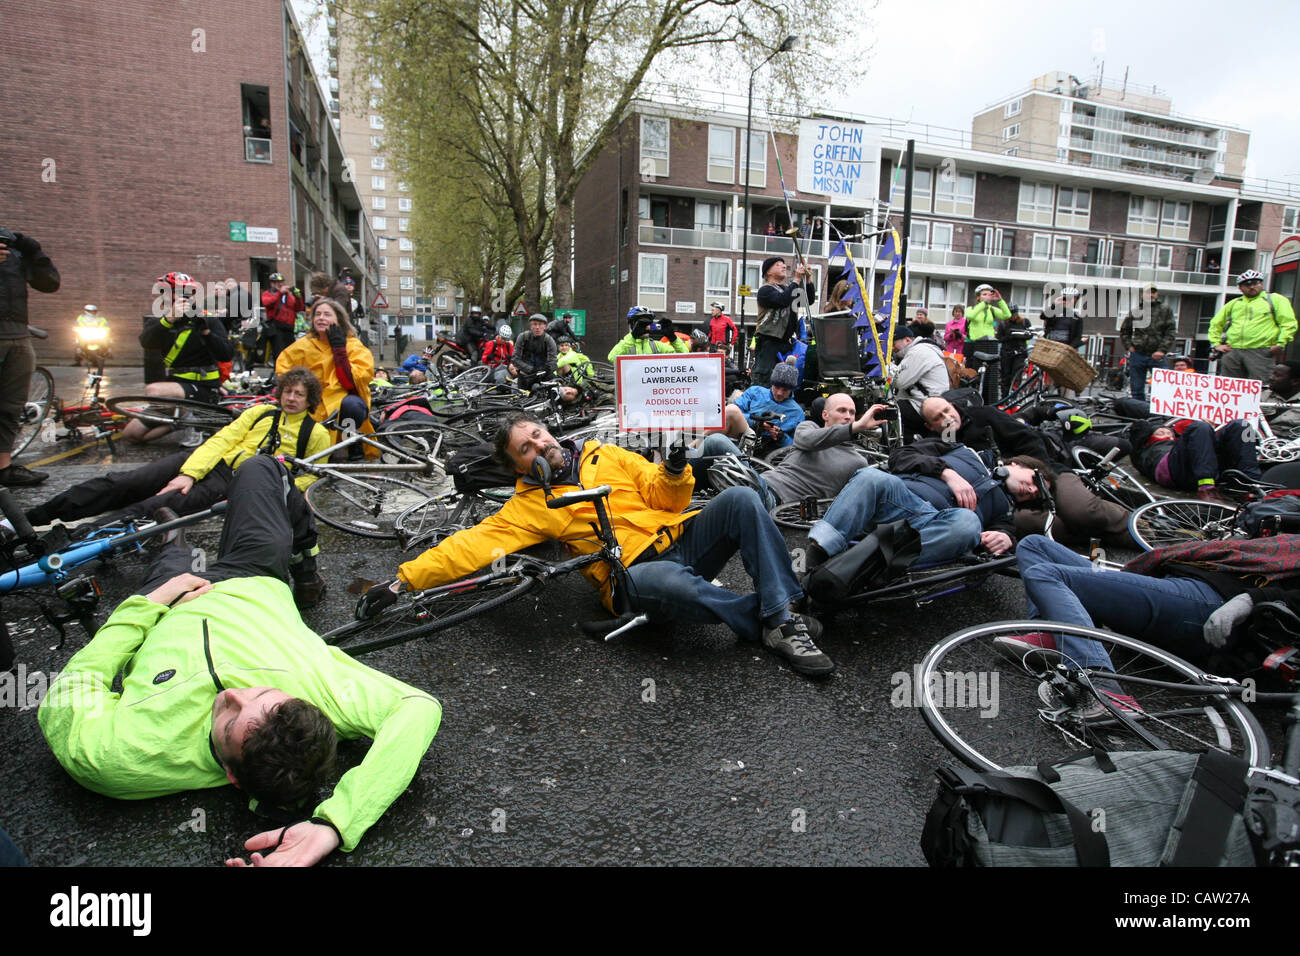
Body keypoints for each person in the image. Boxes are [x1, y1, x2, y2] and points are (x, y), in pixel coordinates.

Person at [36, 454, 442, 867]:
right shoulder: (326, 695)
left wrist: (149, 605)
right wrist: (339, 822)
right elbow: (419, 709)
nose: (232, 694)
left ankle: (170, 547)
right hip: (251, 575)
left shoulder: (117, 758)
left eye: (229, 722)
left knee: (170, 561)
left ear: (231, 776)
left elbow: (76, 683)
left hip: (168, 602)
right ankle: (307, 567)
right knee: (260, 466)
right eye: (263, 693)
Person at [357, 413, 833, 677]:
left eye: (537, 434)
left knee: (743, 499)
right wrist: (401, 582)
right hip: (631, 575)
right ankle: (776, 619)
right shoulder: (532, 504)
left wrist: (674, 469)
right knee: (665, 580)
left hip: (679, 535)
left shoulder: (607, 454)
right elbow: (470, 545)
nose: (540, 446)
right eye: (526, 449)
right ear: (520, 468)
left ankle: (779, 614)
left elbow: (662, 496)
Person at [9, 368, 330, 607]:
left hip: (236, 482)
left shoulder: (316, 434)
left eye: (299, 394)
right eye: (287, 391)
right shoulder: (260, 413)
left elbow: (307, 480)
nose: (291, 398)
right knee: (123, 482)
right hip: (205, 461)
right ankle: (25, 519)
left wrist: (263, 494)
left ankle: (65, 545)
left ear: (309, 399)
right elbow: (222, 440)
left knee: (150, 508)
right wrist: (189, 473)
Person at [997, 532, 1300, 715]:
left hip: (1208, 601)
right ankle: (1057, 635)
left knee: (1046, 575)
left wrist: (1251, 599)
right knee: (1035, 545)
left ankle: (1104, 688)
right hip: (1177, 582)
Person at [806, 441, 1051, 569]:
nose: (1031, 490)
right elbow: (900, 456)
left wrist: (1007, 538)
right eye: (1035, 481)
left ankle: (864, 568)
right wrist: (947, 473)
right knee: (871, 477)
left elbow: (1006, 533)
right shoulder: (962, 451)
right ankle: (815, 560)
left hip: (933, 524)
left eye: (1035, 494)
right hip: (899, 499)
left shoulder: (1005, 510)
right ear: (1018, 464)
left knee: (968, 523)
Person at [696, 394, 889, 510]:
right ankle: (672, 483)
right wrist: (854, 428)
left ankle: (671, 479)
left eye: (852, 413)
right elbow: (806, 440)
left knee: (716, 440)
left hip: (776, 502)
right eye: (842, 410)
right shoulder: (809, 427)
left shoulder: (858, 461)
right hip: (759, 481)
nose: (848, 416)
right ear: (825, 415)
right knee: (715, 442)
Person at [130, 272, 234, 445]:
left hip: (202, 388)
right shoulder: (163, 321)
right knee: (132, 435)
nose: (184, 298)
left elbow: (226, 353)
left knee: (153, 391)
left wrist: (206, 332)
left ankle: (195, 422)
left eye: (188, 293)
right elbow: (146, 342)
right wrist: (169, 319)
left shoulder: (207, 318)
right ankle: (182, 423)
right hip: (174, 388)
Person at [0, 227, 59, 487]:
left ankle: (3, 468)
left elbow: (49, 283)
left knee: (11, 407)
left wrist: (33, 250)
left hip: (18, 336)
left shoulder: (16, 252)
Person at [275, 298, 374, 451]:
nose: (321, 318)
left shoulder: (353, 345)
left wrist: (339, 350)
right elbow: (284, 370)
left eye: (327, 314)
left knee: (352, 406)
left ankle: (351, 447)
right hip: (310, 397)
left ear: (338, 320)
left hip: (341, 397)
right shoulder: (303, 345)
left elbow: (351, 382)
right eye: (318, 314)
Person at [1130, 417, 1262, 502]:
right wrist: (1203, 429)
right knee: (1200, 426)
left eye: (1168, 432)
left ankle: (1249, 485)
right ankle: (1206, 487)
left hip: (1198, 464)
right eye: (1160, 433)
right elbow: (1138, 430)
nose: (1167, 434)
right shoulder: (1145, 451)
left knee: (1241, 425)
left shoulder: (1179, 441)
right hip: (1174, 471)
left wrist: (1210, 431)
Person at [1209, 270, 1298, 383]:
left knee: (1262, 385)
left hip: (1261, 350)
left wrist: (1280, 343)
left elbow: (1288, 323)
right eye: (1247, 284)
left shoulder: (1275, 299)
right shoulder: (1234, 303)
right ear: (1240, 288)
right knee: (1231, 386)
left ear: (1261, 284)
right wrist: (1216, 344)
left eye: (1256, 283)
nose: (1252, 287)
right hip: (1233, 350)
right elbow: (1215, 324)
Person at [753, 257, 815, 388]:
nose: (783, 267)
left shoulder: (788, 289)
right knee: (765, 379)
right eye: (778, 265)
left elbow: (808, 300)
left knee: (784, 381)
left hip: (785, 342)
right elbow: (783, 300)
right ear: (768, 272)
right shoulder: (765, 290)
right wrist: (797, 279)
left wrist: (808, 280)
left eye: (783, 264)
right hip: (769, 341)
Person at [721, 362, 805, 452]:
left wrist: (781, 437)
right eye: (776, 387)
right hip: (743, 436)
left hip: (771, 450)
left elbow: (798, 446)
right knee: (730, 410)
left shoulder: (797, 412)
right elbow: (734, 412)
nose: (779, 393)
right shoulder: (755, 392)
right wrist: (755, 422)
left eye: (785, 390)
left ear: (791, 389)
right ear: (772, 383)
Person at [1119, 286, 1176, 402]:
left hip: (1157, 356)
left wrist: (1162, 350)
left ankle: (1159, 416)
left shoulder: (1165, 310)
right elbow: (1125, 330)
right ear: (1142, 295)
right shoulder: (1135, 311)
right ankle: (1139, 414)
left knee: (1161, 389)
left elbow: (1170, 332)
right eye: (1147, 293)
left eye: (1153, 293)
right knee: (1136, 389)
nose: (1150, 295)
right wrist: (1129, 346)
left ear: (1157, 295)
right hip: (1138, 354)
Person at [890, 323, 950, 435]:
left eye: (894, 344)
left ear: (907, 340)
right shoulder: (921, 349)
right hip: (929, 402)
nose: (893, 349)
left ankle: (903, 447)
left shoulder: (919, 351)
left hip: (928, 406)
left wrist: (888, 366)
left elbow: (899, 382)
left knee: (889, 411)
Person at [962, 285, 1009, 384]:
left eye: (989, 294)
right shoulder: (971, 308)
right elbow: (970, 316)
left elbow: (1007, 315)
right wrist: (984, 303)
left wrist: (1000, 300)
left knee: (990, 374)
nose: (987, 296)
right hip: (973, 344)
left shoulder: (991, 309)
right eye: (984, 294)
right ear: (978, 297)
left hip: (988, 344)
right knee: (972, 373)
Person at [607, 307, 688, 360]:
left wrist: (673, 338)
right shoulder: (626, 345)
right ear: (632, 325)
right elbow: (611, 358)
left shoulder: (657, 346)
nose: (646, 326)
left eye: (648, 323)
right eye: (642, 323)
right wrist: (633, 336)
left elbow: (686, 357)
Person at [260, 273, 305, 362]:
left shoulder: (288, 295)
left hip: (289, 328)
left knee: (291, 353)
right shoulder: (267, 294)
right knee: (279, 353)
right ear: (271, 284)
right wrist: (280, 293)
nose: (280, 284)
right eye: (276, 282)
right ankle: (279, 373)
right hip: (277, 328)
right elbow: (267, 302)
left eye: (281, 282)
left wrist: (298, 297)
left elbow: (299, 308)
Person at [510, 313, 557, 391]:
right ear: (531, 326)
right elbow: (515, 358)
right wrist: (531, 369)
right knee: (522, 399)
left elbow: (553, 361)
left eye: (540, 324)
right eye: (534, 324)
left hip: (543, 374)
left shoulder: (549, 340)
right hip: (525, 374)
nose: (537, 327)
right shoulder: (523, 337)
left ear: (545, 326)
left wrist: (543, 370)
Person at [995, 304, 1034, 395]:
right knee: (1006, 376)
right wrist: (1009, 337)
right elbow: (999, 338)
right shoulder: (1003, 323)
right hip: (1007, 353)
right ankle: (1005, 397)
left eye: (1014, 314)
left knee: (1016, 375)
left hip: (1020, 353)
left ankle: (1014, 395)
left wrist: (1019, 335)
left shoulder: (1024, 322)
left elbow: (1030, 335)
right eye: (1011, 315)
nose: (1013, 317)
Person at [72, 303, 109, 368]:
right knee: (78, 343)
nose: (92, 312)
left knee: (105, 343)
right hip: (85, 333)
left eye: (94, 311)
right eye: (90, 311)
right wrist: (77, 330)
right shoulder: (81, 318)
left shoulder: (101, 319)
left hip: (97, 334)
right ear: (86, 311)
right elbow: (75, 326)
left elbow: (107, 326)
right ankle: (77, 361)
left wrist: (106, 330)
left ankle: (104, 355)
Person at [1266, 360, 1300, 432]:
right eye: (1273, 374)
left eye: (1277, 375)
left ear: (1295, 381)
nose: (1271, 378)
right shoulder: (1259, 396)